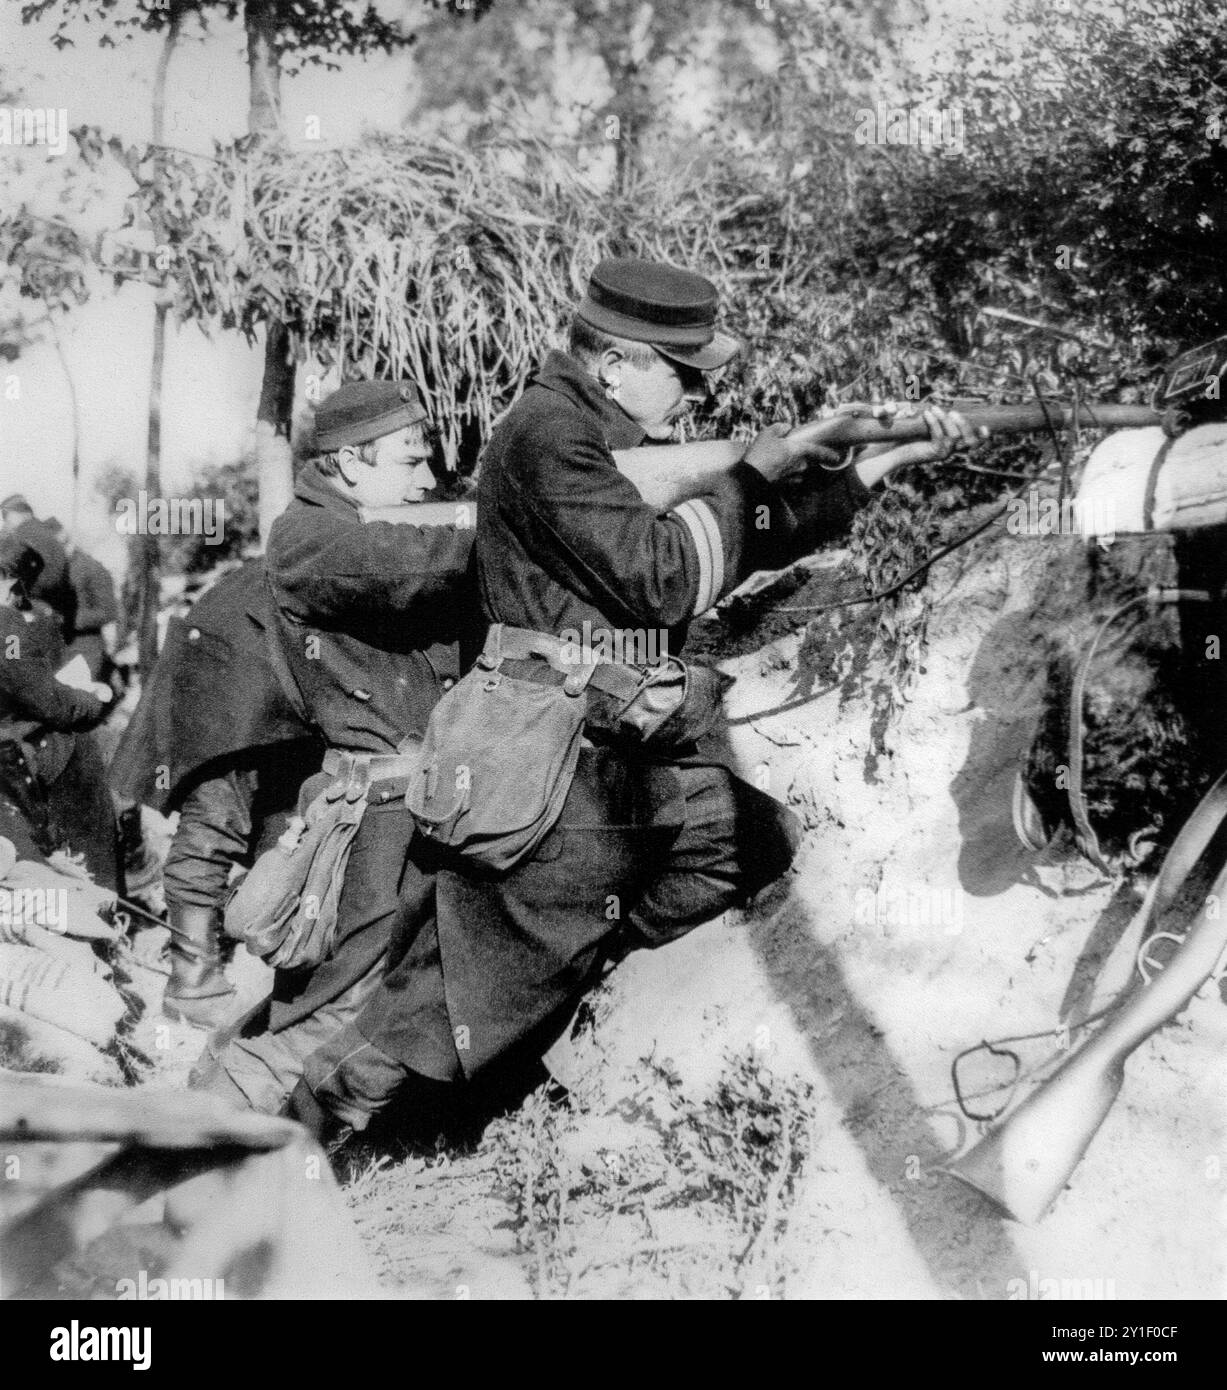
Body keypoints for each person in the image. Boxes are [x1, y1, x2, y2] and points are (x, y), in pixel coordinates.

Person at [289, 257, 989, 1138]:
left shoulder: (585, 435)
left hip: (607, 756)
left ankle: (557, 971)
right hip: (549, 767)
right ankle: (290, 1151)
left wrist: (869, 472)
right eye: (684, 372)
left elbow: (724, 542)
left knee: (747, 836)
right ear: (616, 363)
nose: (695, 393)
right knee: (433, 1008)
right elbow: (665, 578)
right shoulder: (548, 435)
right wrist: (757, 468)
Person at [190, 380, 478, 1114]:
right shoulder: (311, 536)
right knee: (340, 995)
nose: (427, 479)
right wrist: (527, 522)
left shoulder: (361, 523)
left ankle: (226, 1106)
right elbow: (415, 564)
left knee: (348, 985)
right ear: (350, 462)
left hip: (410, 797)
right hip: (376, 808)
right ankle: (215, 1135)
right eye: (410, 461)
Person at [109, 560, 324, 1027]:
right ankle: (191, 981)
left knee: (279, 816)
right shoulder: (338, 545)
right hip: (236, 679)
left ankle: (272, 940)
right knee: (214, 822)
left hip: (254, 671)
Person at [0, 532, 118, 887]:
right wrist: (94, 700)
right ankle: (105, 903)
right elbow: (49, 702)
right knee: (85, 750)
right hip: (17, 753)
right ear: (11, 582)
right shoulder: (6, 626)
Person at [44, 518, 119, 681]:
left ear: (63, 536)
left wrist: (70, 618)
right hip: (56, 651)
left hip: (85, 650)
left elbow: (109, 611)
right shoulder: (50, 572)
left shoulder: (92, 568)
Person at [0, 495, 78, 642]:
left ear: (20, 514)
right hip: (51, 615)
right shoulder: (46, 534)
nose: (5, 522)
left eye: (6, 516)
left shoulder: (24, 535)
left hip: (32, 613)